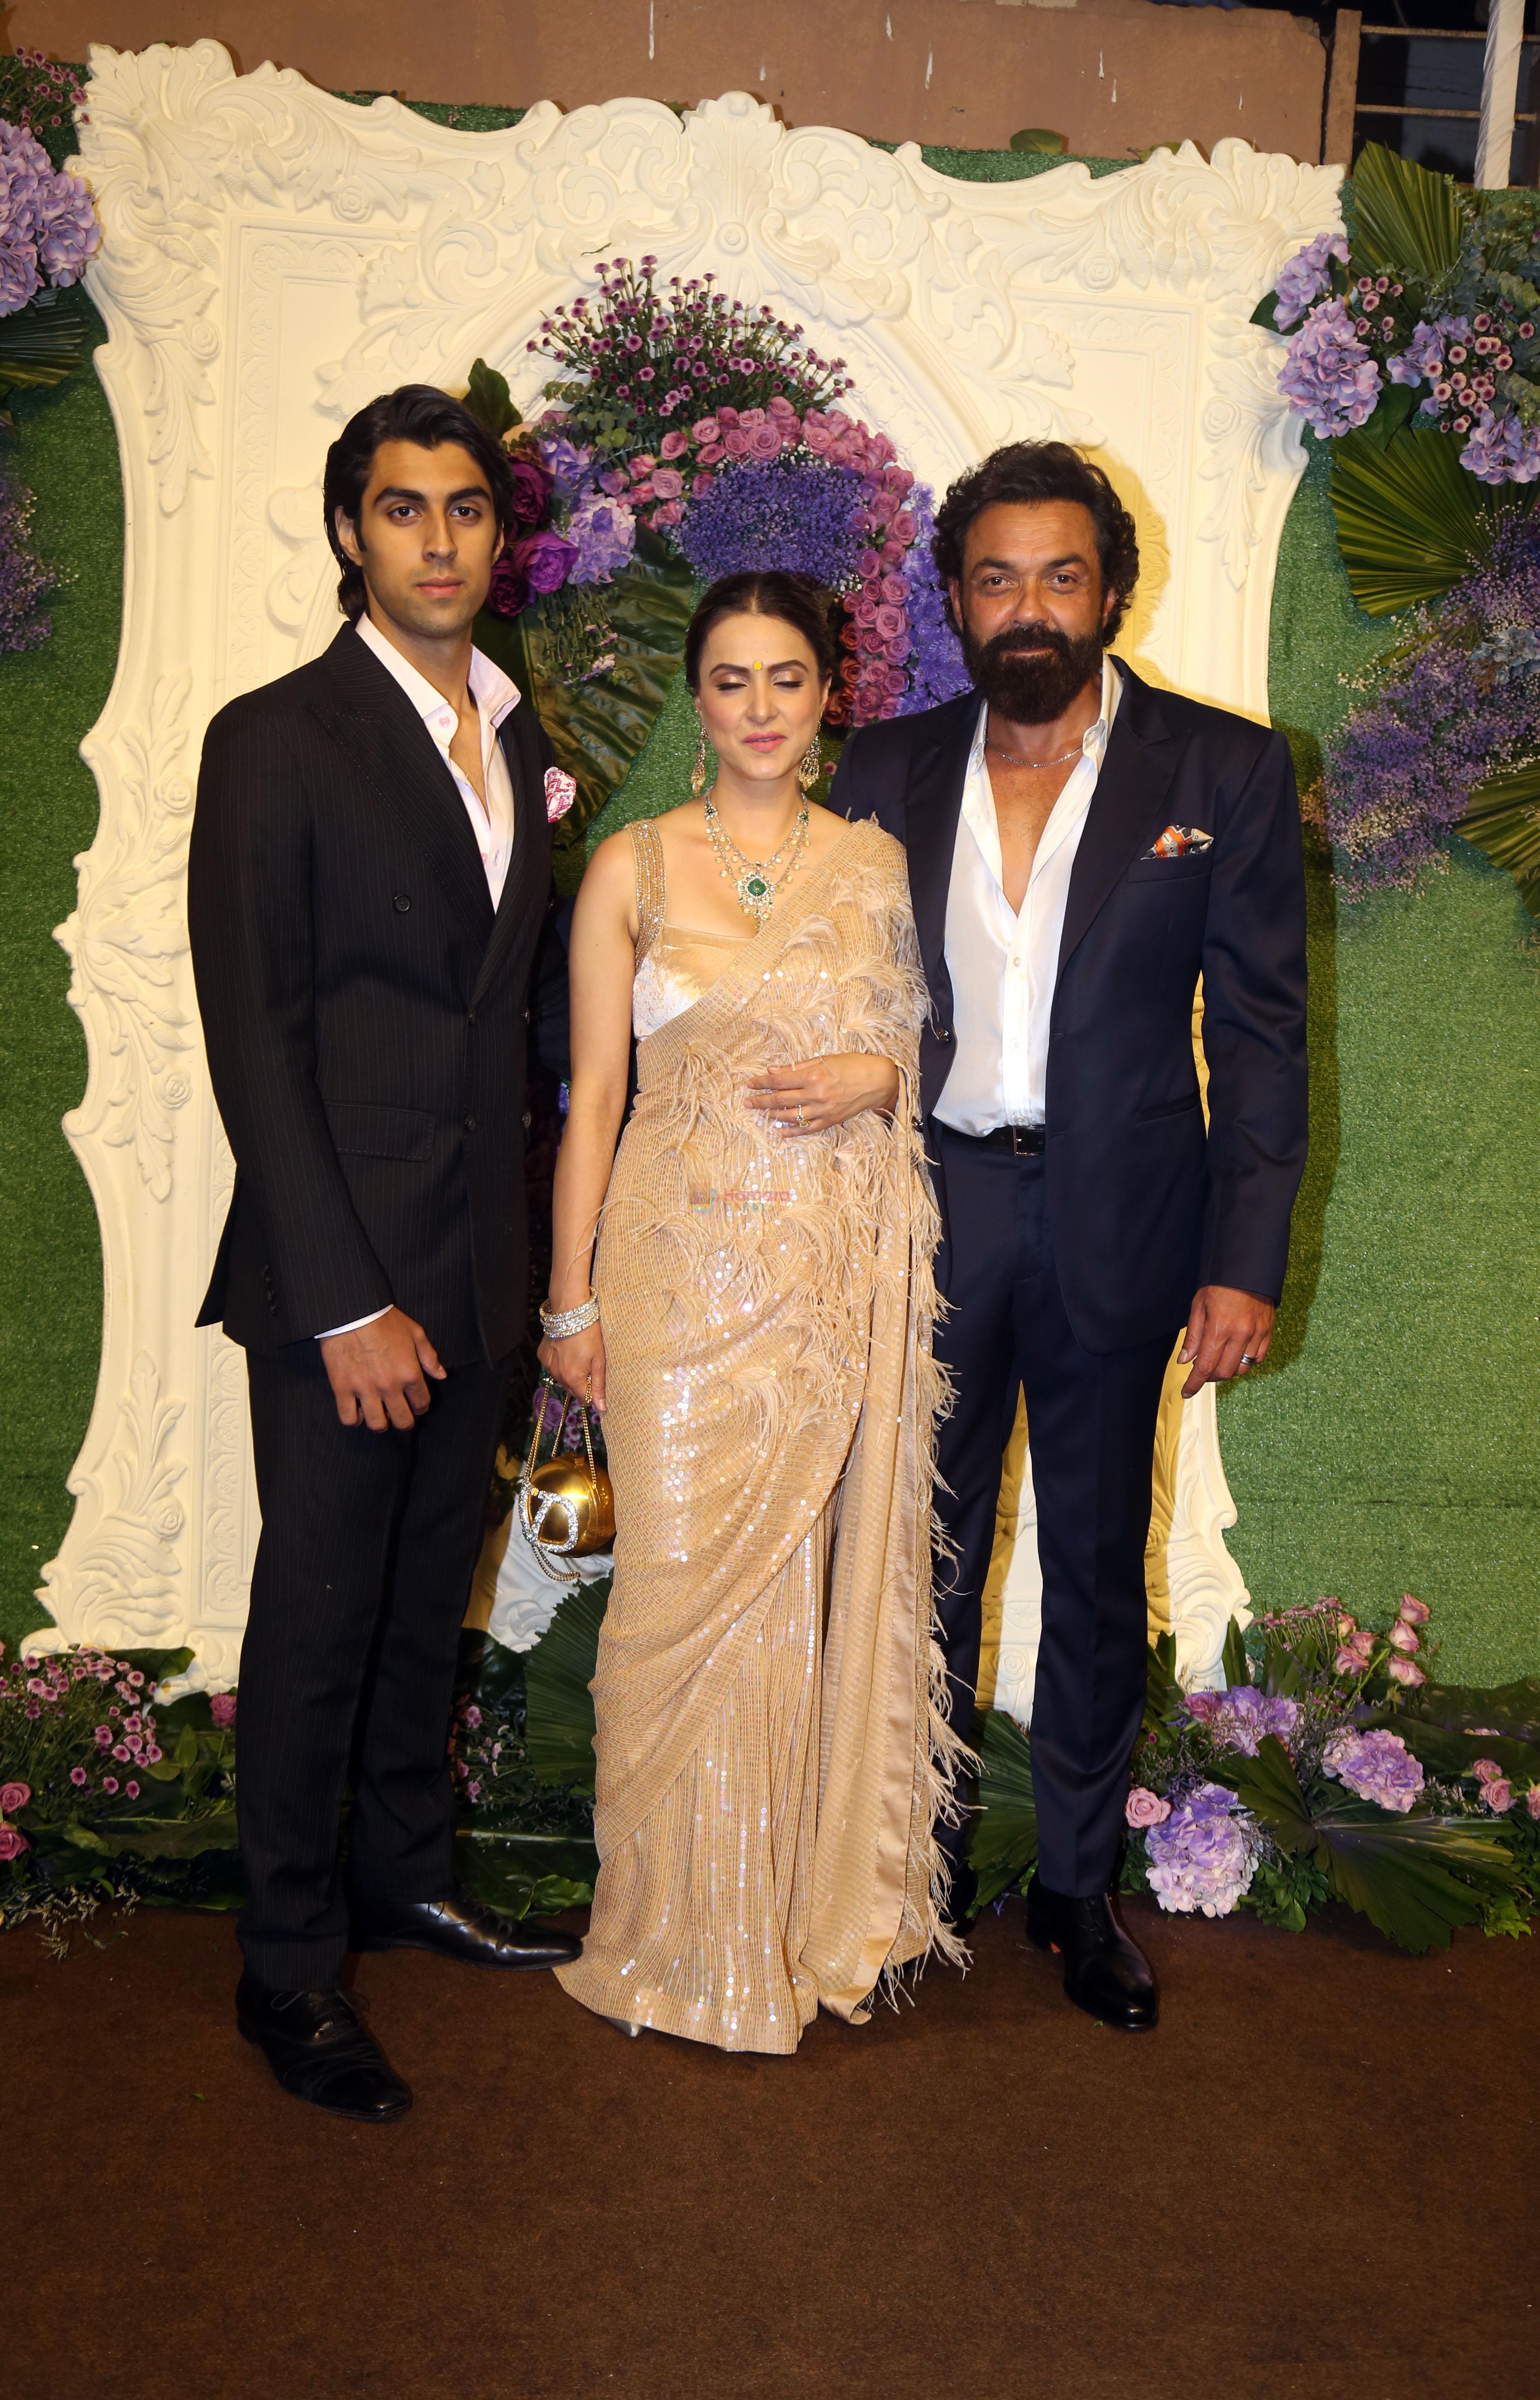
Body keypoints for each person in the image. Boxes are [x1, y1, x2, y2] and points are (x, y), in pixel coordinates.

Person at [834, 442, 1308, 2032]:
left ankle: (1078, 1890)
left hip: (1126, 1223)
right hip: (933, 1213)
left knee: (1103, 1570)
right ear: (957, 599)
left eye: (1058, 575)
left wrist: (1244, 1258)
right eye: (994, 577)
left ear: (1110, 589)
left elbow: (1258, 1039)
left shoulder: (1219, 776)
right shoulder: (878, 772)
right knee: (924, 1560)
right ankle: (916, 1872)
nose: (1027, 607)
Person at [188, 383, 581, 2126]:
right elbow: (255, 1038)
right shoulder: (275, 738)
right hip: (342, 1281)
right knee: (323, 1620)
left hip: (482, 1271)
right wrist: (347, 1299)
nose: (441, 539)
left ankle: (404, 1879)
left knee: (431, 1604)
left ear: (502, 535)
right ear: (350, 530)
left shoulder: (516, 730)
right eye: (404, 509)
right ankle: (286, 1971)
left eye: (468, 510)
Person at [539, 570, 964, 2054]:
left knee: (793, 1597)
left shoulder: (873, 866)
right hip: (668, 1278)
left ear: (827, 692)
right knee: (669, 1607)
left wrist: (882, 1079)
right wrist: (566, 1301)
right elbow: (595, 1099)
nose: (763, 709)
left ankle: (774, 1935)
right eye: (732, 681)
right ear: (696, 695)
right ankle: (661, 1939)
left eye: (789, 679)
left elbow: (917, 1058)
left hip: (816, 1284)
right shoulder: (632, 868)